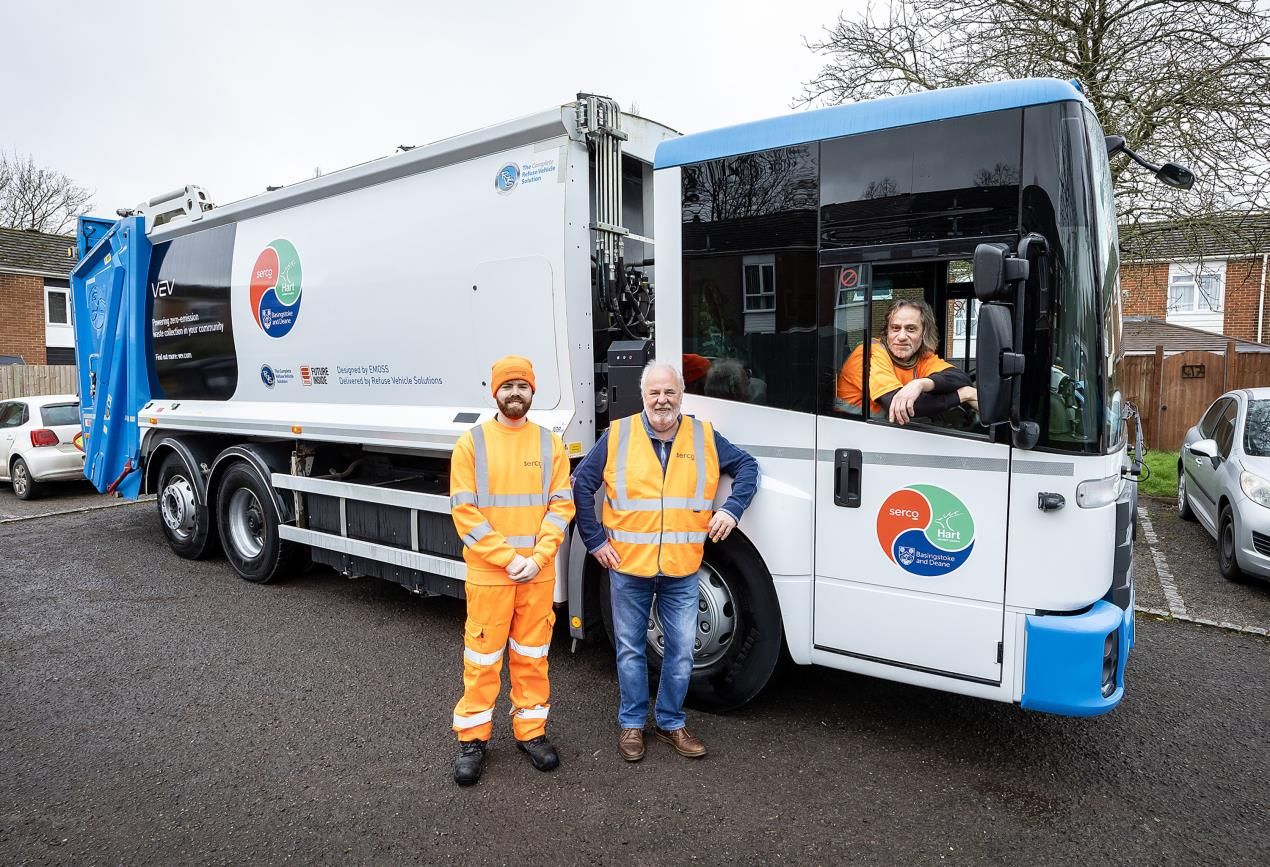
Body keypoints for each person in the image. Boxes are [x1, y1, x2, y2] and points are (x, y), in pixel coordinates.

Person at [571, 362, 759, 762]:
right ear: (644, 396)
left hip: (682, 567)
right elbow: (582, 483)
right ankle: (633, 724)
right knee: (629, 649)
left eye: (669, 392)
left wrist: (732, 509)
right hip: (628, 566)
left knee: (680, 652)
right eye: (655, 393)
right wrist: (594, 540)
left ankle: (670, 721)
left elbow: (747, 466)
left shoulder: (703, 435)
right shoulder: (618, 435)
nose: (662, 400)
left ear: (681, 395)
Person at [448, 355, 575, 786]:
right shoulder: (472, 443)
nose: (515, 392)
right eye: (508, 386)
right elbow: (464, 512)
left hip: (536, 576)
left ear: (533, 391)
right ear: (495, 392)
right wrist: (511, 559)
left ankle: (531, 731)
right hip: (491, 576)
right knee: (482, 661)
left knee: (532, 657)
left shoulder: (549, 444)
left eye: (523, 385)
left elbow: (562, 506)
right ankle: (472, 738)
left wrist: (536, 559)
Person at [836, 298, 977, 425]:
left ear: (924, 334)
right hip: (856, 436)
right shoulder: (869, 352)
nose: (902, 336)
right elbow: (899, 404)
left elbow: (960, 378)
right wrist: (965, 394)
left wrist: (921, 384)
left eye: (911, 329)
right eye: (895, 328)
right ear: (887, 332)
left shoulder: (920, 357)